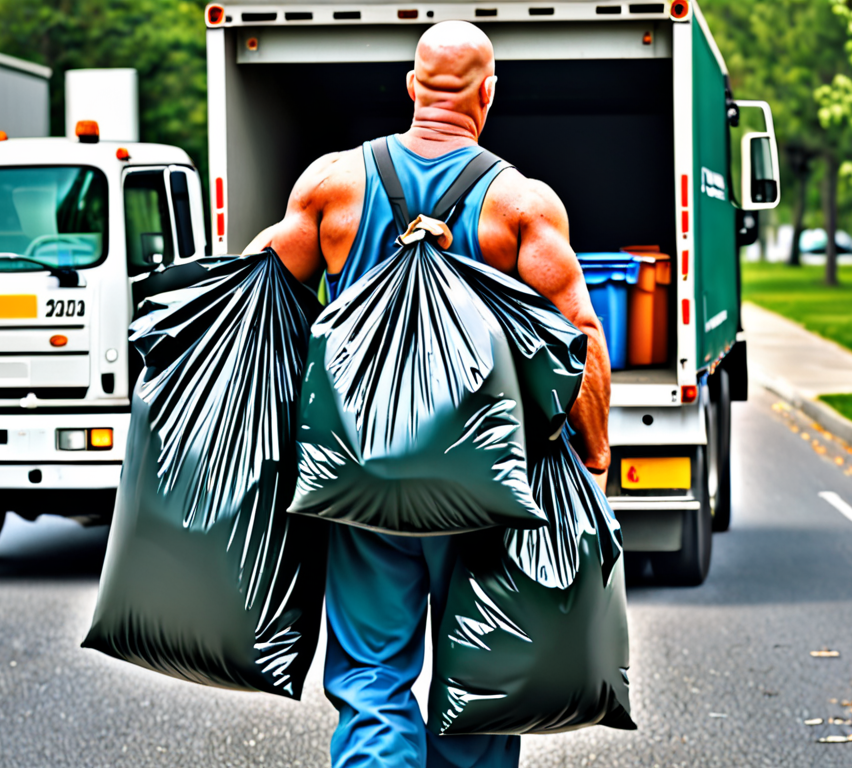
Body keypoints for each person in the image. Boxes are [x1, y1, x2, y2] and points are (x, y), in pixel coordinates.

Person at [245, 20, 611, 768]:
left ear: (412, 87)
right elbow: (579, 338)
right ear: (488, 93)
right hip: (483, 484)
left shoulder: (333, 185)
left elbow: (254, 289)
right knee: (480, 669)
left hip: (362, 479)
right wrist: (597, 455)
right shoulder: (520, 204)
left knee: (373, 676)